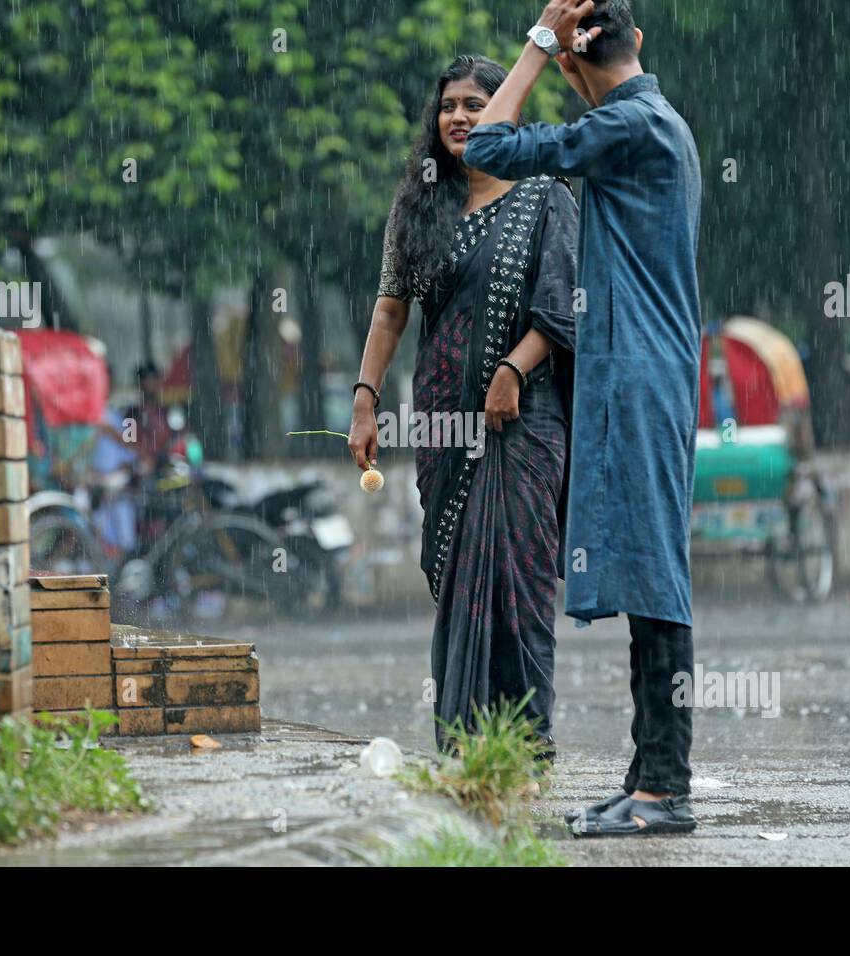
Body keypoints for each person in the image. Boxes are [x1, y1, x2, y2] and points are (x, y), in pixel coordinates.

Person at [463, 0, 702, 835]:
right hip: (648, 372)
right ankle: (647, 776)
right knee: (644, 569)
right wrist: (572, 57)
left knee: (657, 579)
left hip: (638, 374)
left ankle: (665, 790)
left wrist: (534, 48)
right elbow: (586, 104)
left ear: (584, 52)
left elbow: (486, 145)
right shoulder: (651, 119)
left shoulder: (630, 128)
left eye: (570, 59)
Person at [348, 54, 579, 763]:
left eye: (476, 104)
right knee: (456, 571)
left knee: (521, 573)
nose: (458, 116)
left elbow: (566, 304)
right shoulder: (418, 203)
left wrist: (514, 366)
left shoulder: (546, 195)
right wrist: (364, 401)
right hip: (444, 423)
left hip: (527, 422)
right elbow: (390, 313)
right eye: (448, 105)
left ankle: (527, 742)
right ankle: (464, 743)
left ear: (502, 113)